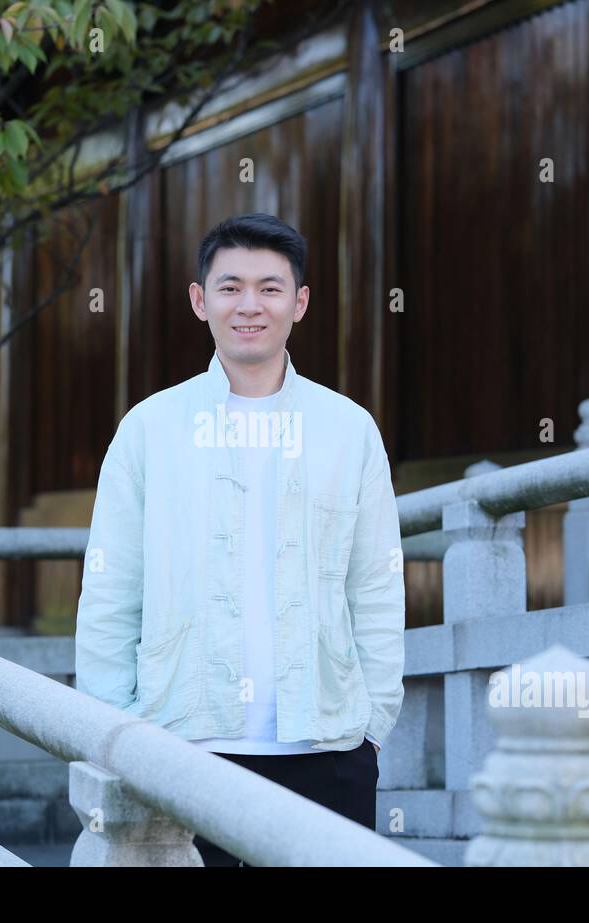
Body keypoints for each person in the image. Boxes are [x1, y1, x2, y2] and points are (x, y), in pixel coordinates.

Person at [74, 212, 405, 866]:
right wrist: (114, 730)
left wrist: (372, 726)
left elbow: (375, 583)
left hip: (328, 750)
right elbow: (111, 589)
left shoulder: (348, 429)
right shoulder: (150, 429)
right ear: (200, 301)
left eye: (270, 287)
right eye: (229, 287)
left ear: (300, 302)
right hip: (184, 748)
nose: (249, 305)